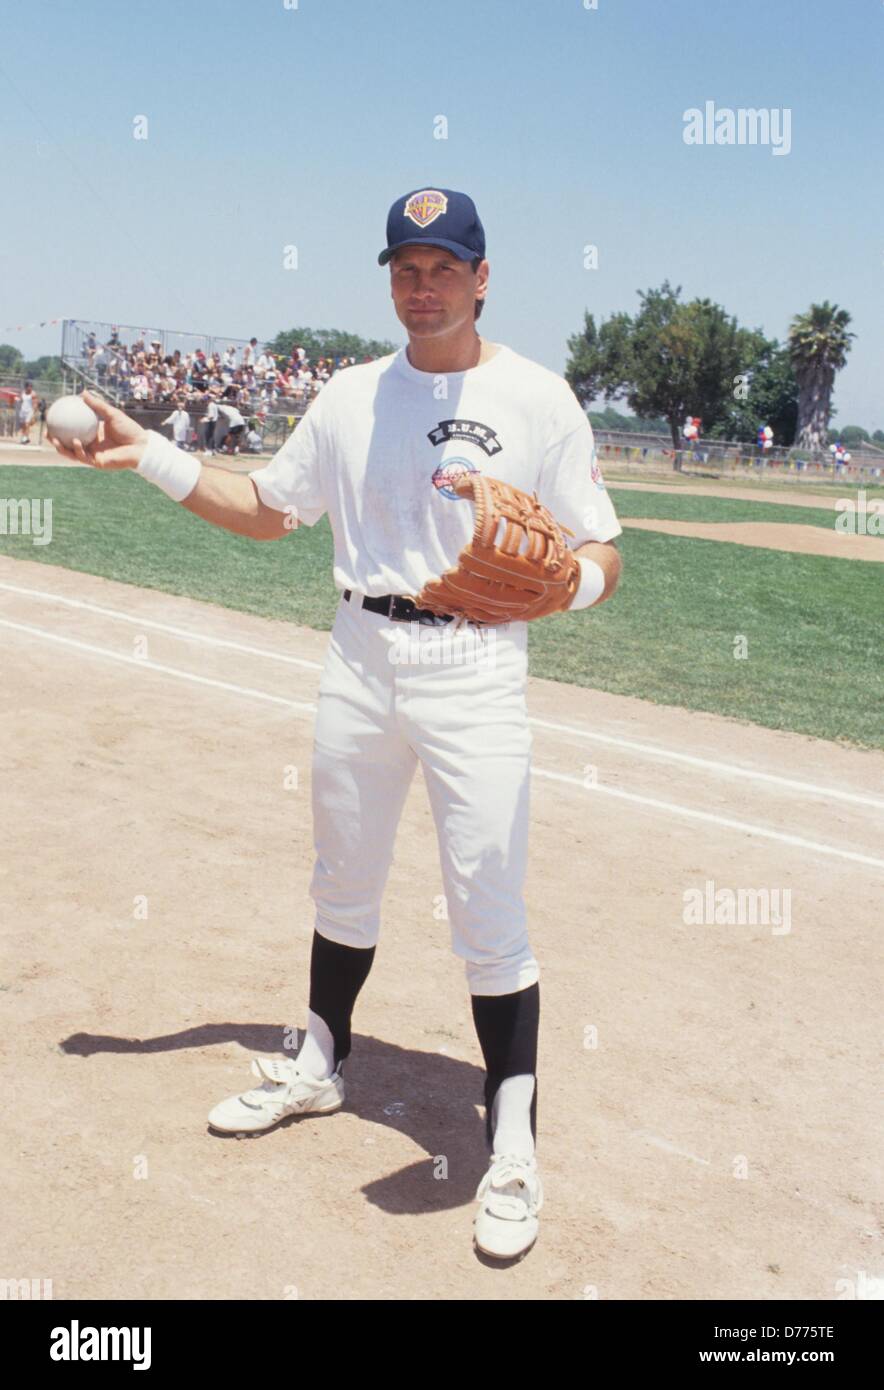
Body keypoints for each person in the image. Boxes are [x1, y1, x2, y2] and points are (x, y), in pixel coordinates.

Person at [45, 186, 623, 1264]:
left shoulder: (540, 399)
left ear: (482, 277)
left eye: (443, 267)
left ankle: (510, 1144)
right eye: (404, 267)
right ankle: (321, 1062)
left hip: (473, 663)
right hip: (360, 653)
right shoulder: (352, 395)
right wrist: (150, 456)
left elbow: (602, 549)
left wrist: (566, 590)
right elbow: (267, 511)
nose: (422, 285)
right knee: (340, 877)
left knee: (486, 902)